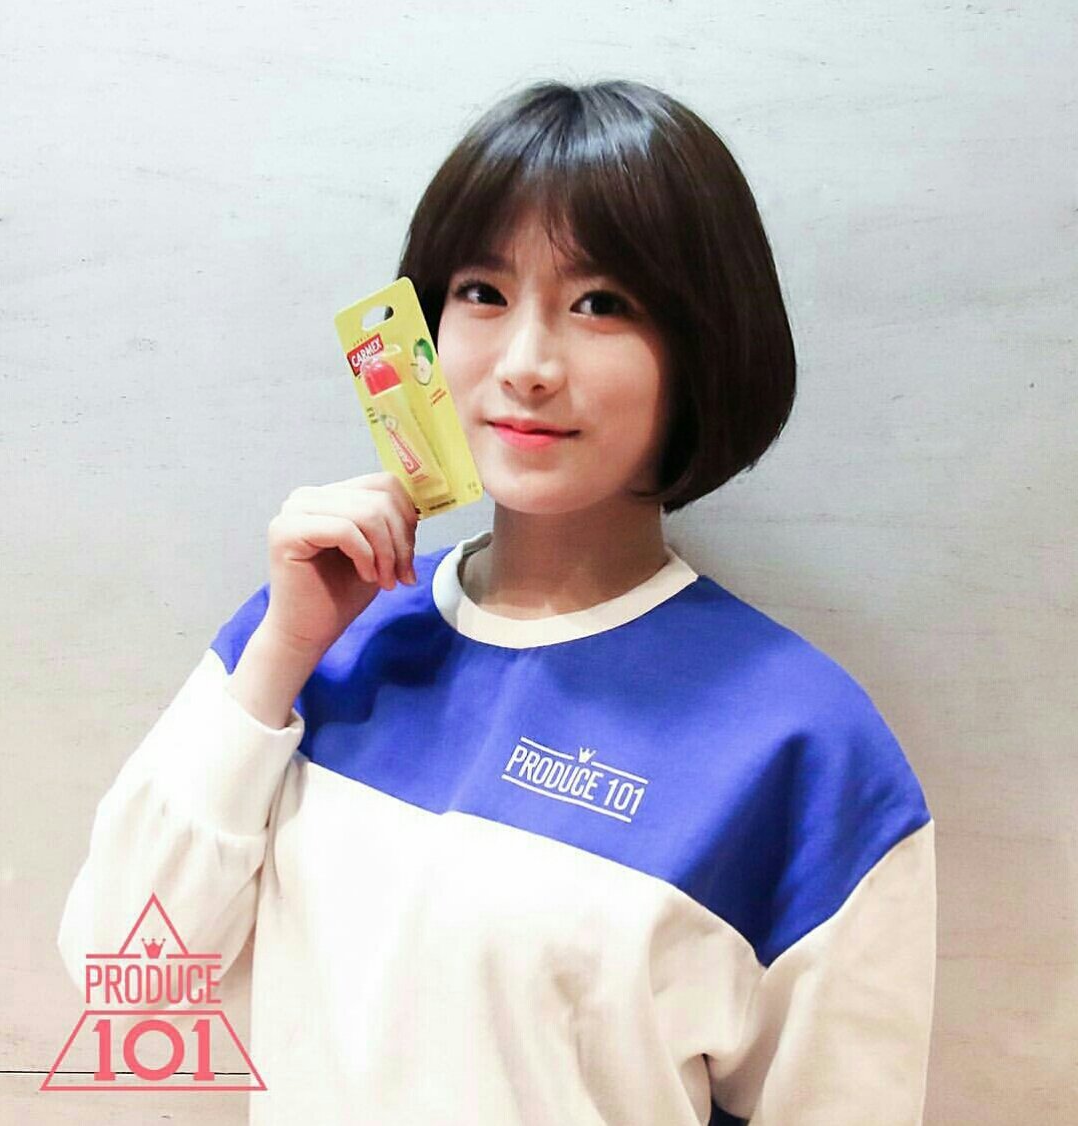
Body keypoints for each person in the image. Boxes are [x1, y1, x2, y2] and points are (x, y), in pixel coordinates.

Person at [57, 79, 937, 1125]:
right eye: (482, 291)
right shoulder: (307, 639)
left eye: (601, 303)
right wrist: (283, 654)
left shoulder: (805, 746)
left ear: (704, 345)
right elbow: (124, 988)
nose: (526, 365)